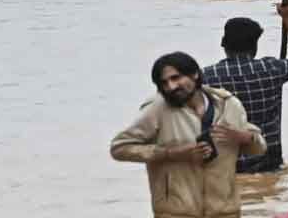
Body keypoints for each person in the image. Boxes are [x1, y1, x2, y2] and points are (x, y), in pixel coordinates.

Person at [110, 52, 267, 218]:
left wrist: (245, 138)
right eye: (164, 83)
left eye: (176, 78)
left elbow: (259, 148)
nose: (171, 87)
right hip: (176, 213)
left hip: (226, 211)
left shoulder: (228, 104)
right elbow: (120, 148)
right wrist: (172, 153)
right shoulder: (157, 108)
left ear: (195, 74)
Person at [203, 0, 288, 173]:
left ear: (223, 44)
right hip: (269, 163)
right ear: (254, 46)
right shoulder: (272, 69)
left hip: (226, 167)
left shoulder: (206, 78)